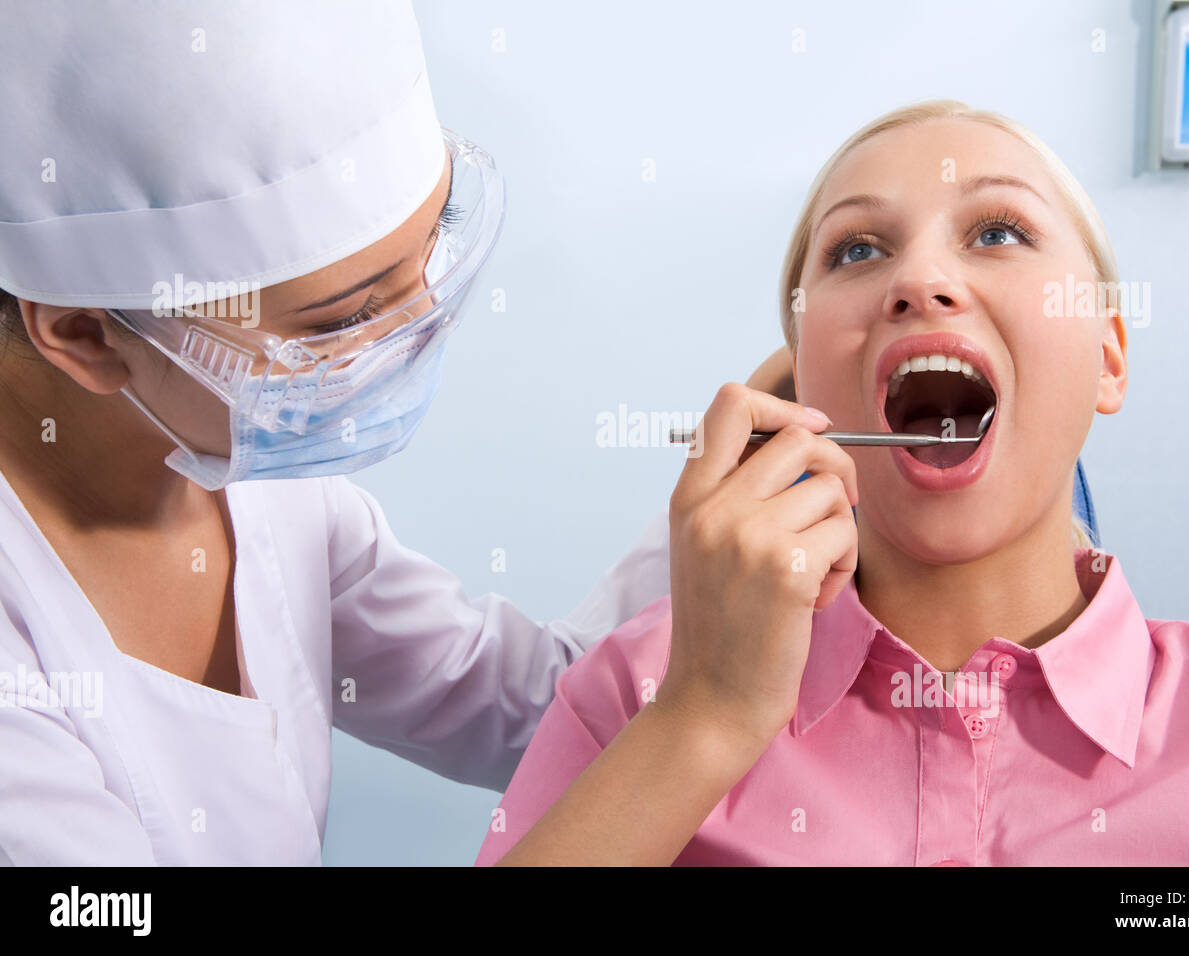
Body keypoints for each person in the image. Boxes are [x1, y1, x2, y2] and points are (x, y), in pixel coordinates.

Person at [0, 0, 813, 865]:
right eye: (345, 318)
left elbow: (537, 709)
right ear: (84, 335)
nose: (418, 330)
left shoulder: (258, 484)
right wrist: (709, 716)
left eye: (433, 250)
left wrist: (732, 501)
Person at [476, 99, 1189, 866]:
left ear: (1108, 360)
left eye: (999, 233)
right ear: (801, 389)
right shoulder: (639, 694)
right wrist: (708, 716)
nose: (919, 281)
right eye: (857, 251)